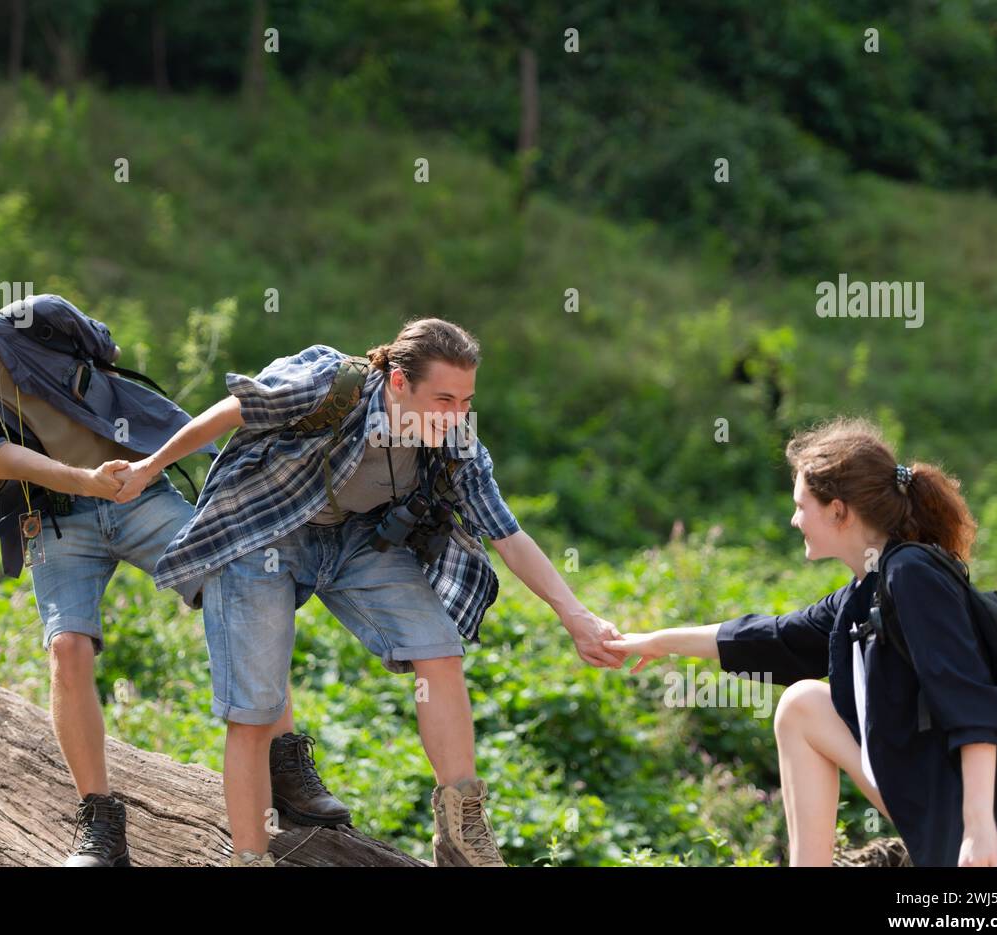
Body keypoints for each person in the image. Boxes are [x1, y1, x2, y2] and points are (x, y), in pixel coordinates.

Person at [0, 265, 351, 866]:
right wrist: (85, 480)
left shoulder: (36, 318)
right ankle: (100, 823)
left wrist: (125, 454)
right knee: (67, 648)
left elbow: (103, 348)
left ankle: (286, 767)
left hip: (140, 492)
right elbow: (14, 461)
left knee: (245, 584)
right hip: (57, 521)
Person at [102, 317, 627, 865]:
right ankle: (251, 857)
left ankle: (461, 832)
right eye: (443, 399)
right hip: (265, 532)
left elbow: (508, 535)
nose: (455, 416)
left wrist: (576, 616)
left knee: (439, 650)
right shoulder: (332, 384)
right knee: (254, 712)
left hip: (357, 542)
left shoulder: (457, 441)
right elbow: (237, 409)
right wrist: (148, 467)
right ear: (399, 382)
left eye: (465, 401)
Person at [604, 417, 997, 866]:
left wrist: (979, 831)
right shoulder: (867, 590)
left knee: (803, 704)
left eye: (801, 505)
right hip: (928, 796)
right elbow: (775, 638)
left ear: (838, 510)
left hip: (974, 818)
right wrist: (658, 643)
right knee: (801, 706)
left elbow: (970, 698)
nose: (793, 518)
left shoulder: (911, 574)